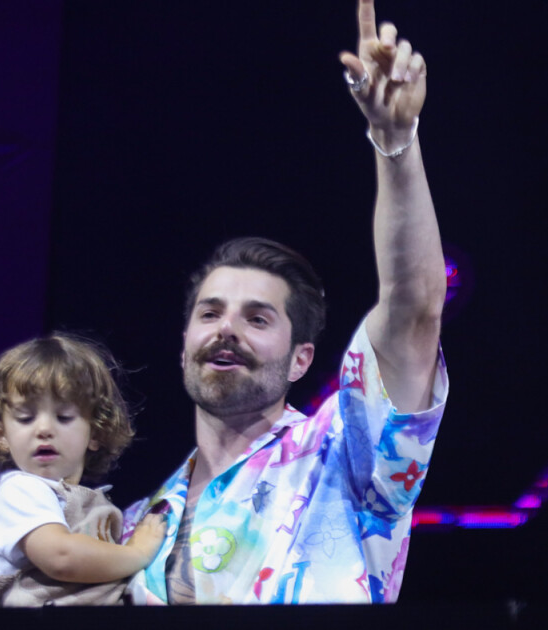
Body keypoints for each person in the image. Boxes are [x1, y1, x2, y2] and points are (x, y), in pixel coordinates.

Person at [119, 0, 448, 604]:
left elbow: (414, 307)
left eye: (257, 318)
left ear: (301, 360)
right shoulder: (137, 521)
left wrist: (395, 139)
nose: (227, 331)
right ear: (184, 344)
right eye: (210, 313)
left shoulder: (347, 458)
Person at [0, 334, 166, 606]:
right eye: (26, 418)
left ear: (95, 432)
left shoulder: (88, 502)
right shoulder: (19, 492)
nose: (44, 429)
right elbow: (61, 557)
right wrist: (138, 552)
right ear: (1, 433)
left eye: (63, 417)